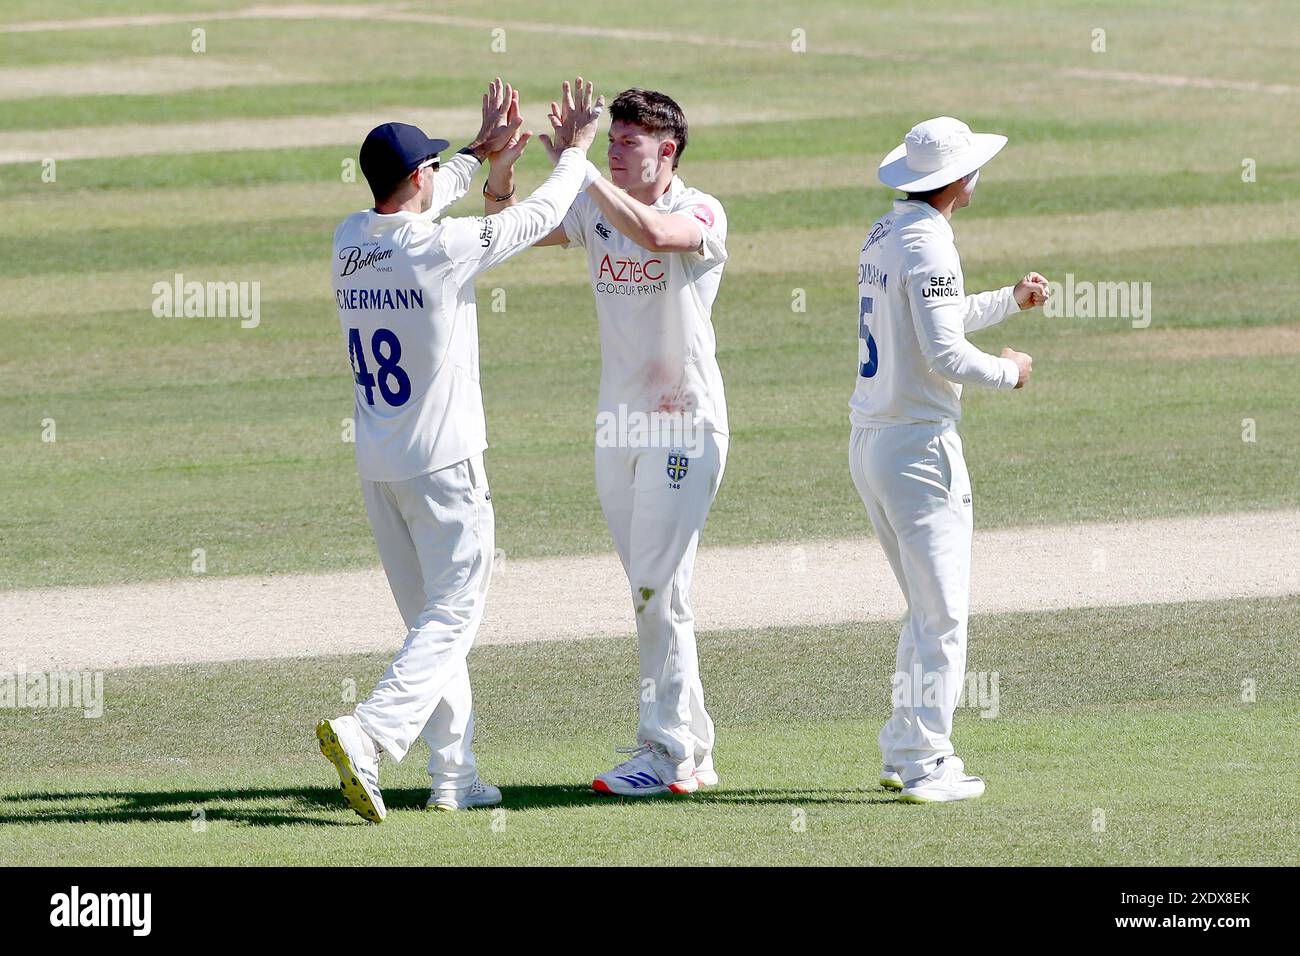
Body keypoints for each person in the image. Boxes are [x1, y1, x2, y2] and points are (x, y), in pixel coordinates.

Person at [316, 78, 605, 821]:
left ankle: (457, 775)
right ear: (416, 178)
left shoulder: (351, 238)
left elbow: (436, 190)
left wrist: (479, 154)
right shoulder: (439, 249)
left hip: (380, 469)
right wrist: (573, 152)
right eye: (431, 169)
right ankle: (371, 731)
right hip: (444, 466)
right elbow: (538, 215)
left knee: (431, 626)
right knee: (452, 618)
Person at [482, 84, 729, 796]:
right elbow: (513, 228)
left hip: (684, 423)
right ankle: (695, 751)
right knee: (658, 594)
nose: (617, 152)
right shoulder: (595, 203)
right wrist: (505, 169)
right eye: (611, 139)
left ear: (667, 150)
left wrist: (581, 163)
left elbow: (658, 236)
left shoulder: (700, 209)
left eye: (629, 143)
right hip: (617, 426)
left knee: (656, 590)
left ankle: (663, 752)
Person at [849, 116, 1049, 803]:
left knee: (925, 609)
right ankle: (928, 764)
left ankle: (907, 747)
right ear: (958, 180)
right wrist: (1011, 372)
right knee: (943, 615)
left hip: (874, 440)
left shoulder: (887, 232)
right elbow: (942, 351)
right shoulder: (929, 245)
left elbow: (930, 317)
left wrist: (1008, 302)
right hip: (918, 450)